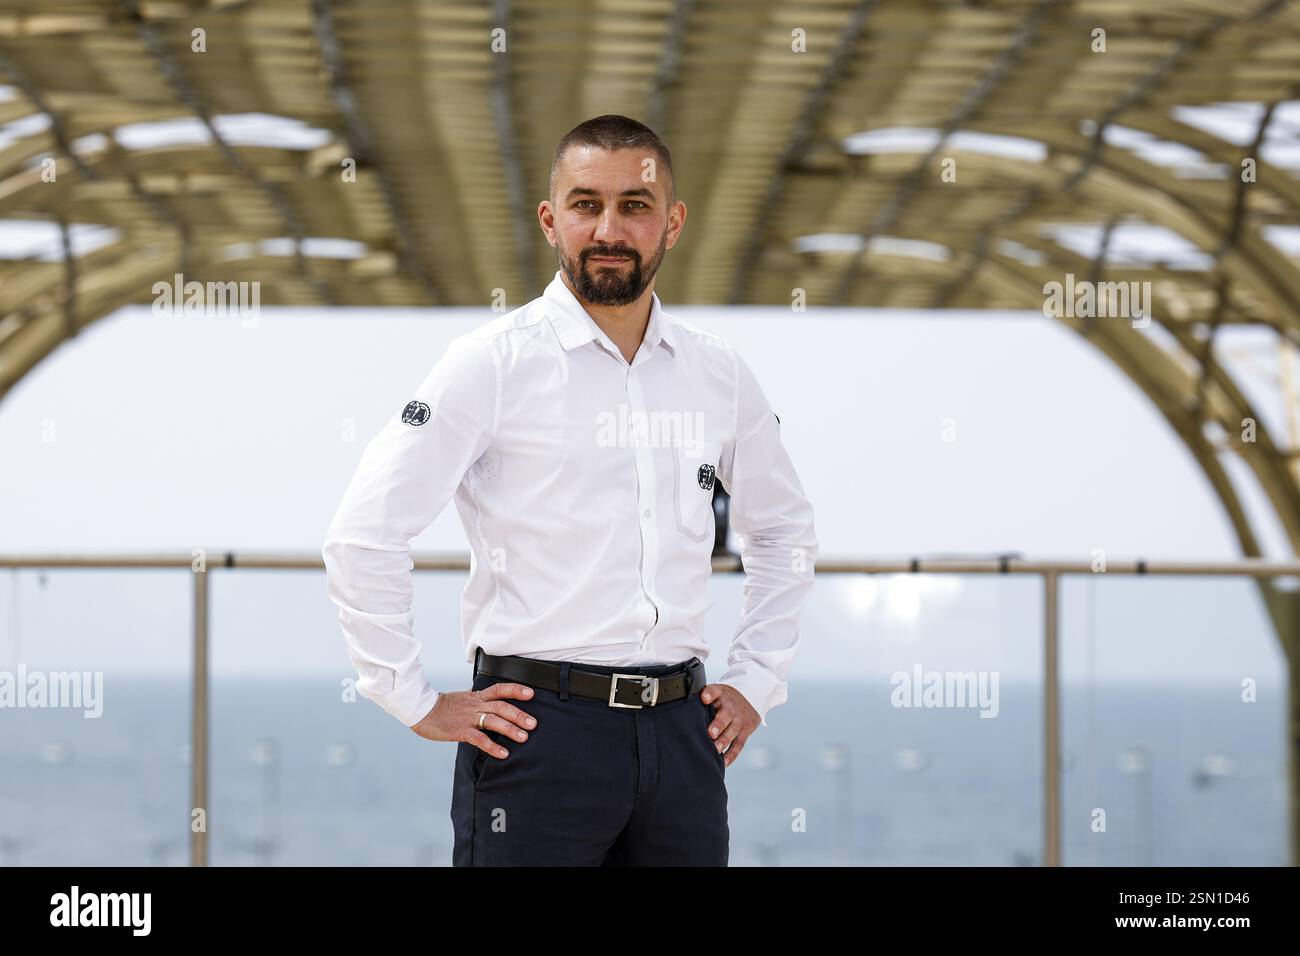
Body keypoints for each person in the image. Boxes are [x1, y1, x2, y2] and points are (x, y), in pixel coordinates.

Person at [322, 113, 817, 866]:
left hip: (685, 738)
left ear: (672, 223)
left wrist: (756, 681)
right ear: (552, 221)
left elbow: (783, 532)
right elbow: (363, 533)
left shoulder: (718, 373)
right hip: (537, 738)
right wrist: (413, 699)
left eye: (635, 205)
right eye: (586, 205)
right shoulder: (488, 364)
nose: (609, 228)